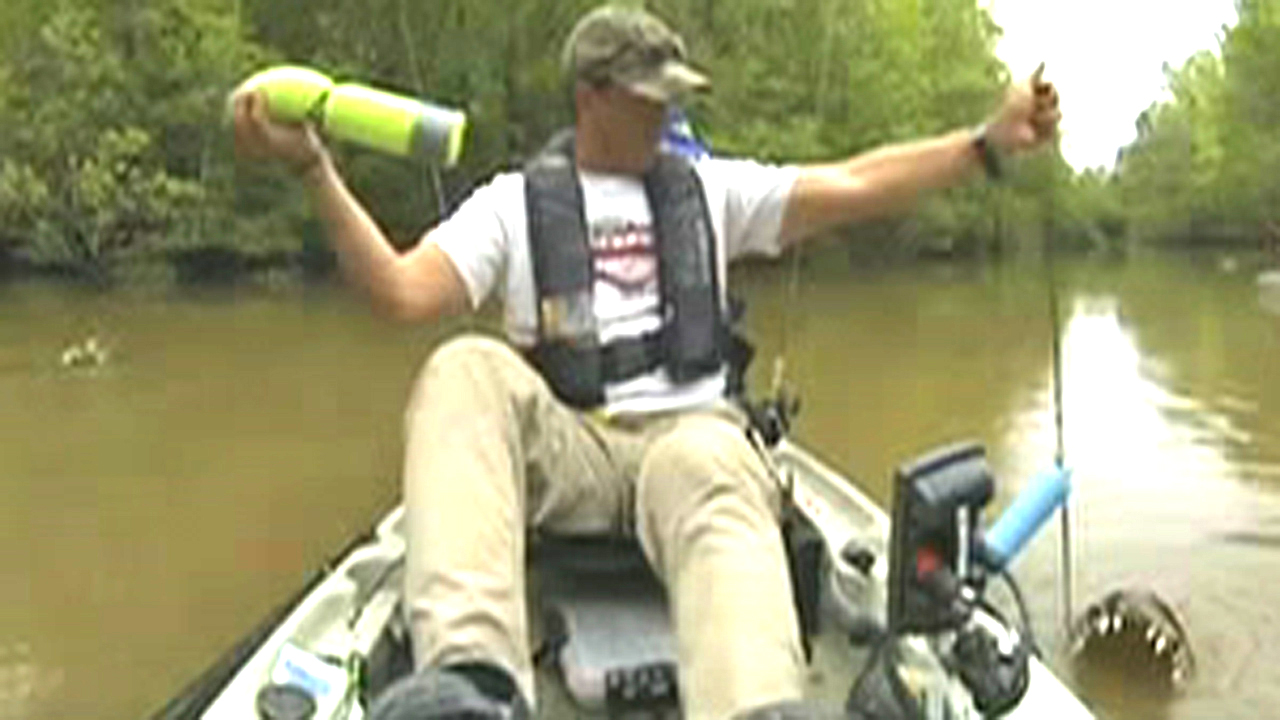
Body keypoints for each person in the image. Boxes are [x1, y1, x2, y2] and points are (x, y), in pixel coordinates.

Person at [231, 5, 1060, 719]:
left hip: (689, 442)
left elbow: (855, 184)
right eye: (647, 97)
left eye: (673, 97)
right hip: (572, 452)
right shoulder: (513, 204)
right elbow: (401, 293)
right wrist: (315, 169)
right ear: (592, 96)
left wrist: (984, 144)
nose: (666, 113)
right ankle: (470, 684)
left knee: (714, 458)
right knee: (463, 369)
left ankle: (756, 705)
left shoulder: (711, 190)